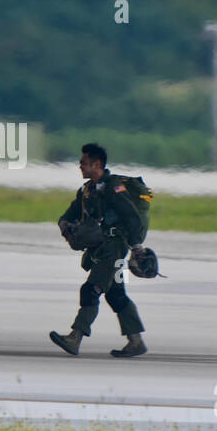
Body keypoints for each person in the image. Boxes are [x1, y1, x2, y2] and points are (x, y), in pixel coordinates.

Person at [50, 143, 148, 358]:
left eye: (84, 163)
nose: (80, 166)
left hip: (113, 250)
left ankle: (75, 337)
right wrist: (66, 226)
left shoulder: (113, 188)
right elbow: (68, 215)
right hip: (99, 250)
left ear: (97, 164)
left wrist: (136, 248)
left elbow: (132, 217)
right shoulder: (87, 191)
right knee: (116, 295)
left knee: (91, 290)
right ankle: (136, 341)